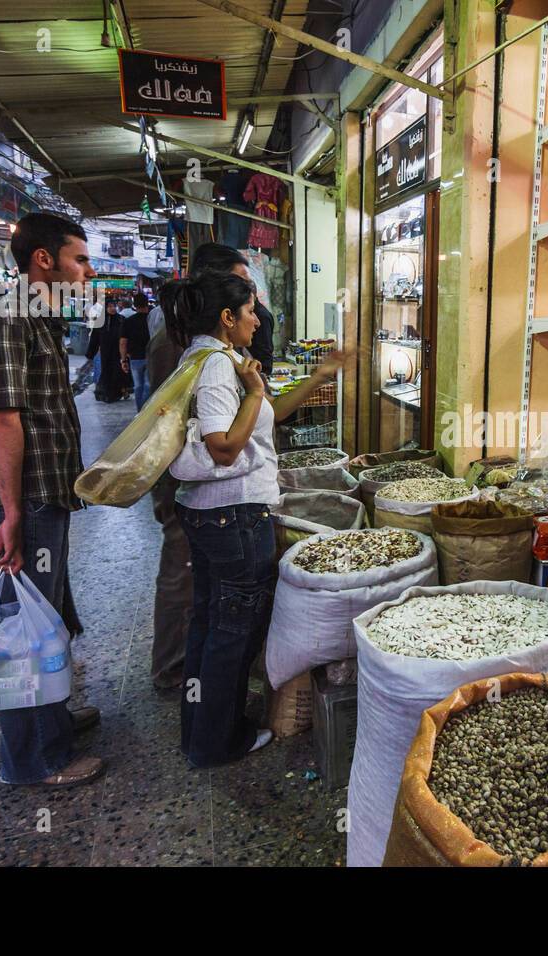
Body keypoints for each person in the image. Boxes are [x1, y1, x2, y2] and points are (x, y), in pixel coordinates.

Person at [162, 269, 348, 766]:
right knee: (232, 632)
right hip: (233, 515)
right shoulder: (220, 366)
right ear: (228, 317)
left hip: (210, 514)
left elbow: (271, 413)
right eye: (249, 311)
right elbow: (223, 448)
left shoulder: (205, 356)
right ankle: (218, 742)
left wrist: (319, 376)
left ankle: (198, 732)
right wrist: (250, 390)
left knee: (208, 625)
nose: (256, 320)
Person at [0, 211, 102, 788]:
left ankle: (54, 722)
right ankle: (36, 762)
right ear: (43, 260)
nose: (89, 271)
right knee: (24, 632)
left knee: (46, 621)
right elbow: (2, 421)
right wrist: (13, 514)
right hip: (27, 500)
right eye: (80, 259)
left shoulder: (38, 319)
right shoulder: (7, 320)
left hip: (44, 495)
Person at [187, 243, 274, 373]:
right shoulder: (215, 359)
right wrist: (255, 392)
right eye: (241, 283)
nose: (257, 322)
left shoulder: (227, 343)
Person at [88, 296, 131, 403]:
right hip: (106, 352)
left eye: (114, 306)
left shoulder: (121, 320)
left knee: (118, 372)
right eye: (110, 306)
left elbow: (127, 336)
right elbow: (95, 338)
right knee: (107, 372)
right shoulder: (100, 322)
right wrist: (91, 353)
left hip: (118, 352)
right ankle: (109, 394)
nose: (112, 308)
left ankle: (119, 392)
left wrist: (128, 351)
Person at [120, 292, 153, 409]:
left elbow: (123, 342)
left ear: (134, 305)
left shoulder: (129, 321)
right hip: (152, 358)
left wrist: (123, 360)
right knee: (148, 386)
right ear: (147, 304)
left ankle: (140, 413)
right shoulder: (152, 320)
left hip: (135, 358)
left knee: (138, 387)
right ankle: (145, 411)